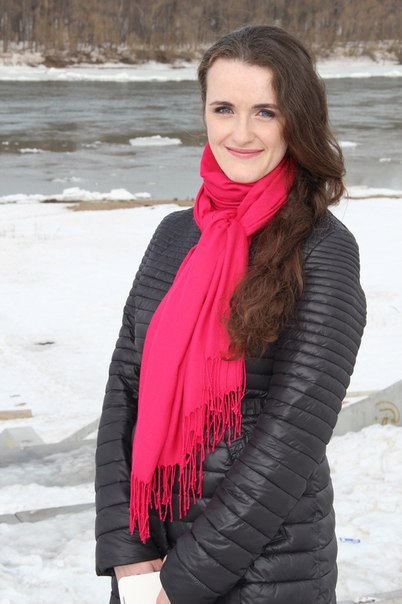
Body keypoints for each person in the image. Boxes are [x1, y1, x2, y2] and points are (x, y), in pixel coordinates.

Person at [95, 25, 366, 604]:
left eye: (265, 112)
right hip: (150, 555)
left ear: (296, 120)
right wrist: (128, 551)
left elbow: (293, 436)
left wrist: (185, 580)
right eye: (224, 109)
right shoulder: (174, 236)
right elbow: (124, 391)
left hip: (265, 571)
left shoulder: (323, 249)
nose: (240, 133)